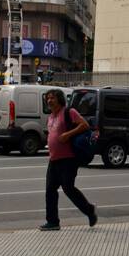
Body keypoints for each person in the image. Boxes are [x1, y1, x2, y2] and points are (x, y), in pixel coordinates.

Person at [39, 89, 97, 231]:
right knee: (50, 190)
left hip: (68, 159)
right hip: (54, 160)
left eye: (52, 98)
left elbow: (84, 125)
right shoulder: (51, 117)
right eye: (48, 98)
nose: (49, 100)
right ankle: (52, 222)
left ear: (59, 99)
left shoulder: (68, 112)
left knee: (68, 189)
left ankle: (89, 210)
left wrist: (67, 134)